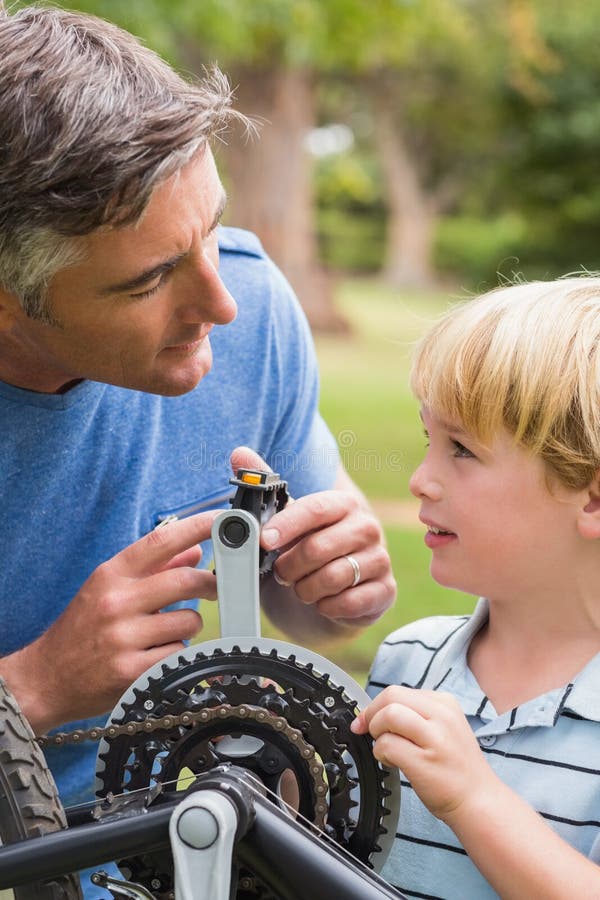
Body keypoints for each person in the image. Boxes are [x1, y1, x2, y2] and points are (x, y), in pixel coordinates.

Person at [0, 3, 396, 885]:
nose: (220, 304)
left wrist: (331, 588)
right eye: (148, 279)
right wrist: (32, 688)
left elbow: (309, 614)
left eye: (209, 229)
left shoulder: (252, 312)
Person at [352, 276, 600, 898]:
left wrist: (473, 798)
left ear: (591, 495)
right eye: (427, 440)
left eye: (461, 449)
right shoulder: (407, 662)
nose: (419, 480)